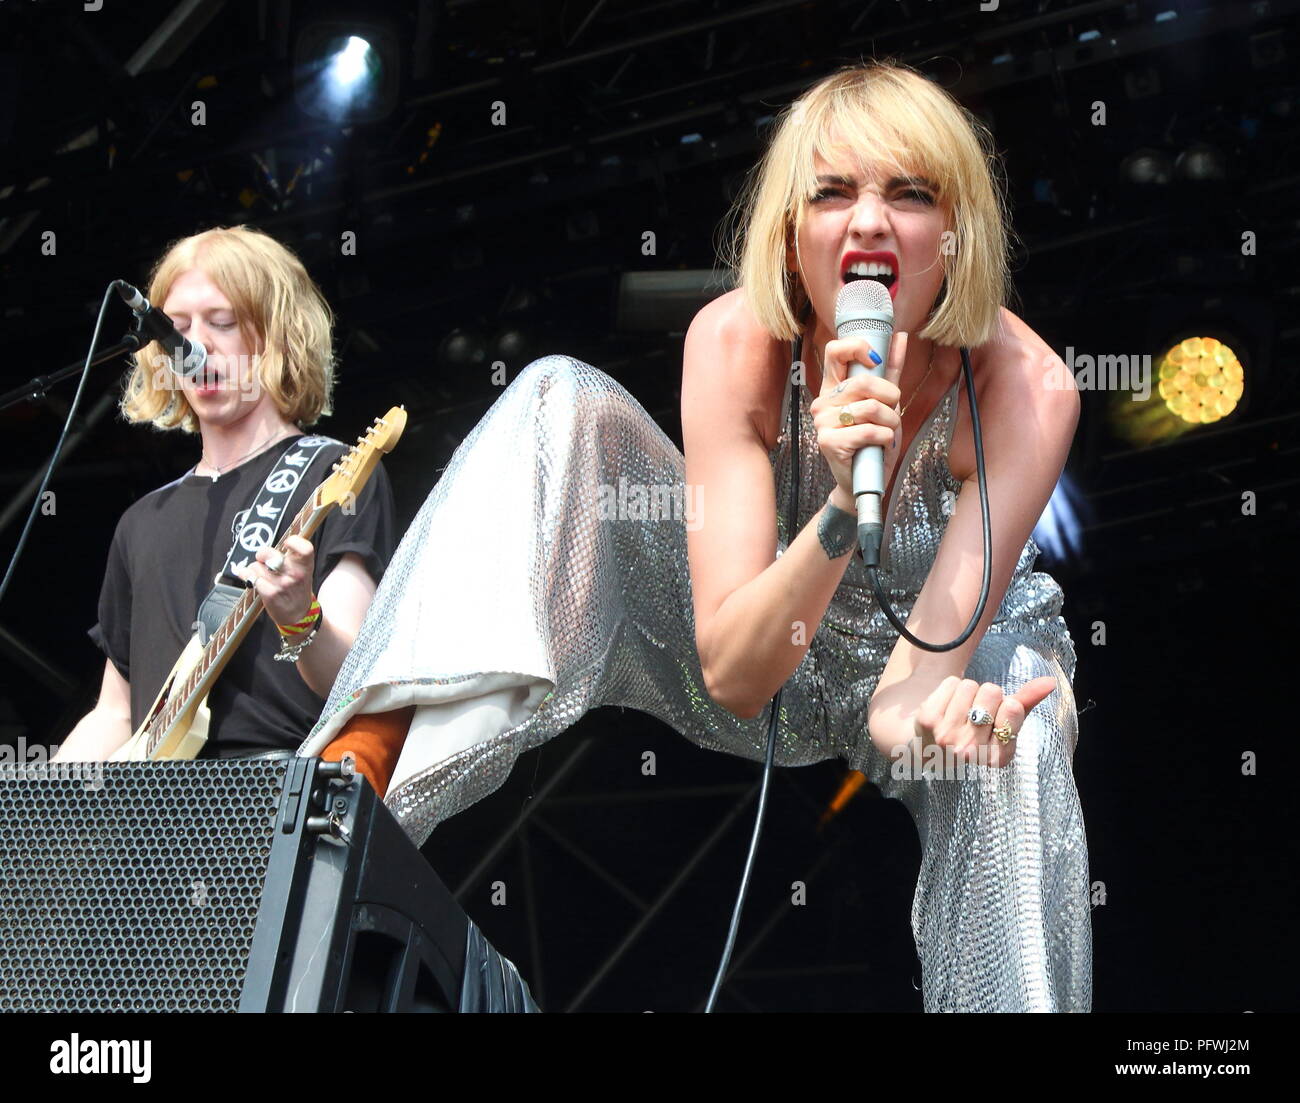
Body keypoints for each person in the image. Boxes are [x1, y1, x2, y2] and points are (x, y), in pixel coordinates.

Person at [303, 60, 1090, 1012]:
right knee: (561, 401)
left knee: (1021, 729)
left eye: (911, 195)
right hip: (760, 635)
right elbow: (736, 671)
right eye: (832, 192)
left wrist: (941, 729)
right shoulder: (733, 343)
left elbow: (900, 704)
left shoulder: (1028, 389)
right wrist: (840, 506)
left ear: (956, 232)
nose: (870, 221)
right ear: (792, 234)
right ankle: (347, 803)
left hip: (928, 664)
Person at [54, 226, 396, 776]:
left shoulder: (329, 472)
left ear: (277, 334)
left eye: (222, 322)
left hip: (270, 798)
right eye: (177, 328)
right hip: (151, 819)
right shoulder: (142, 521)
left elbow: (350, 682)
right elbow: (115, 714)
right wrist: (32, 816)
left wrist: (298, 616)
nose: (195, 347)